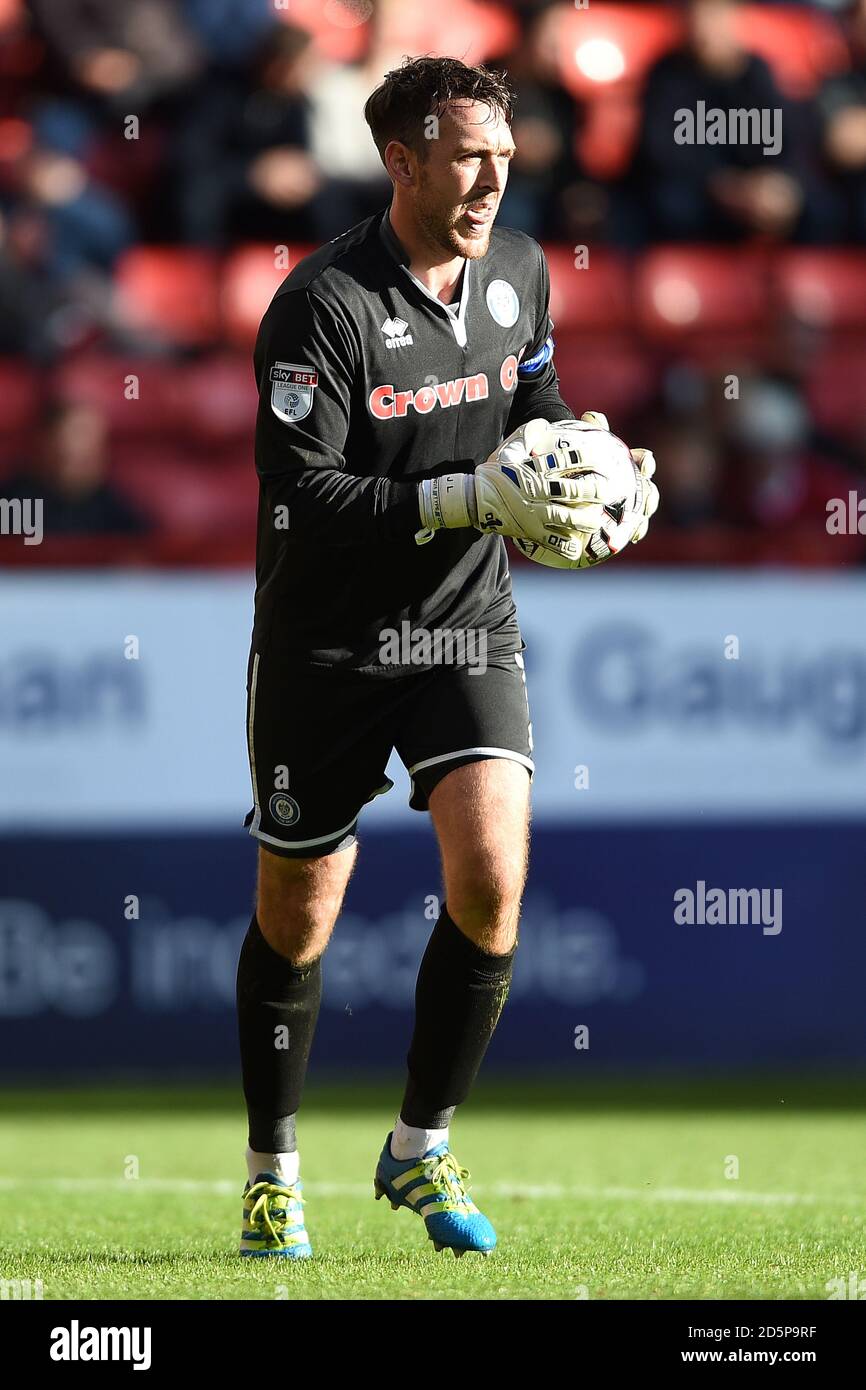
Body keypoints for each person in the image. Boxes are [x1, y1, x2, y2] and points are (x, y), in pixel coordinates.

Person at [236, 55, 657, 1261]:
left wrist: (587, 465)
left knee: (488, 876)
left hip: (463, 624)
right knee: (299, 912)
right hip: (324, 637)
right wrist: (463, 493)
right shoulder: (318, 305)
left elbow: (535, 404)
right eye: (467, 154)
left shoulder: (520, 273)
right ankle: (273, 1169)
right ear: (402, 161)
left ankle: (419, 1145)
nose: (494, 174)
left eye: (503, 151)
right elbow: (297, 500)